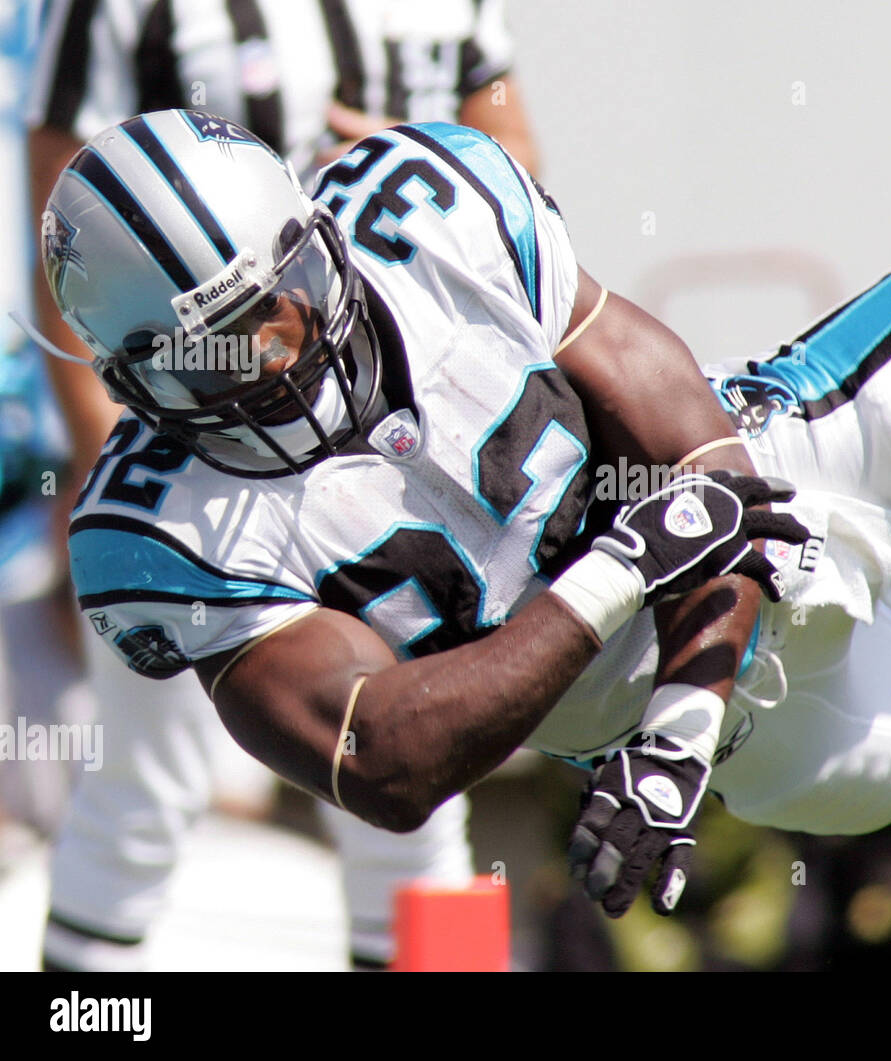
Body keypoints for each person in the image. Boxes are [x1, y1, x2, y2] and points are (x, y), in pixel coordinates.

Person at [41, 0, 891, 918]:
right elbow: (388, 759)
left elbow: (702, 462)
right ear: (136, 378)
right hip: (685, 702)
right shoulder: (158, 530)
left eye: (284, 304)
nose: (275, 362)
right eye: (217, 353)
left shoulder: (431, 202)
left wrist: (676, 725)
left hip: (780, 468)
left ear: (313, 237)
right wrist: (617, 590)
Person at [26, 0, 536, 970]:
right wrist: (97, 454)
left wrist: (410, 163)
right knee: (146, 781)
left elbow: (510, 139)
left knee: (423, 785)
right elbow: (65, 220)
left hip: (387, 412)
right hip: (201, 442)